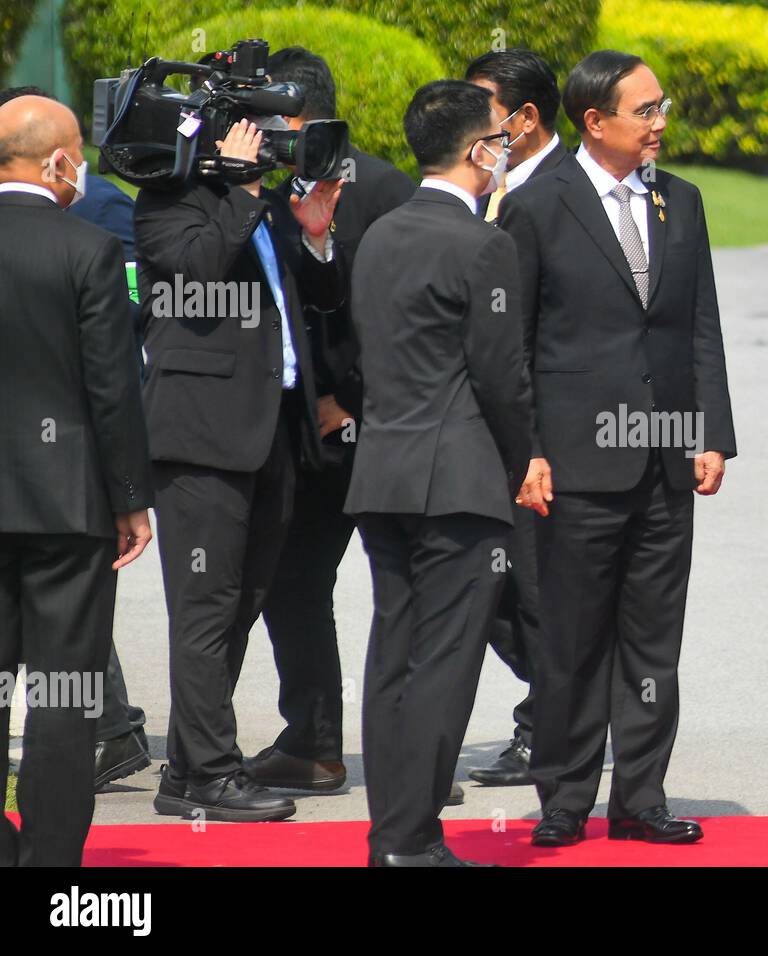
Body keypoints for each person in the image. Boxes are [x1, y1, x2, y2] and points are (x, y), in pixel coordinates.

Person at [500, 49, 737, 848]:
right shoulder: (536, 205)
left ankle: (641, 798)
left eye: (661, 106)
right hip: (575, 464)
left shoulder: (681, 200)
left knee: (651, 643)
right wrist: (528, 451)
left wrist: (711, 434)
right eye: (645, 110)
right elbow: (513, 344)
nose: (659, 122)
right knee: (571, 641)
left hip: (665, 461)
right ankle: (565, 799)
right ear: (595, 121)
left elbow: (700, 324)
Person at [344, 80, 532, 867]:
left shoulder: (378, 234)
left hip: (383, 472)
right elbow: (501, 376)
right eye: (500, 138)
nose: (507, 150)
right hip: (457, 478)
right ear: (477, 150)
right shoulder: (483, 243)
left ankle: (391, 836)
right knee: (444, 667)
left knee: (394, 658)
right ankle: (412, 840)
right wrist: (524, 462)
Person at [135, 114, 343, 823]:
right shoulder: (167, 201)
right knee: (206, 609)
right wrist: (239, 186)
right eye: (257, 135)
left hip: (273, 431)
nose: (270, 147)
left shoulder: (263, 206)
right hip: (201, 437)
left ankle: (187, 769)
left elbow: (314, 301)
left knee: (242, 606)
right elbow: (197, 273)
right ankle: (212, 773)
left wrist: (315, 237)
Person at [245, 46, 417, 796]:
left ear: (301, 116)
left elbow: (410, 316)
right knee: (294, 582)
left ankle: (421, 752)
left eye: (266, 118)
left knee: (410, 588)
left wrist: (351, 398)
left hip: (376, 428)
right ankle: (314, 743)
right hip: (300, 436)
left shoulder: (379, 188)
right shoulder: (262, 188)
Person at [0, 94, 153, 865]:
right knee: (65, 696)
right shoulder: (89, 248)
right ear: (58, 162)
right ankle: (51, 857)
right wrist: (131, 500)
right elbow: (112, 387)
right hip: (68, 503)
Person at [462, 48, 568, 788]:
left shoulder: (564, 192)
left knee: (534, 588)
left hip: (545, 434)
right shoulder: (481, 187)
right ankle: (572, 700)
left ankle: (550, 727)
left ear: (524, 119)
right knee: (493, 588)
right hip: (477, 429)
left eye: (485, 112)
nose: (474, 127)